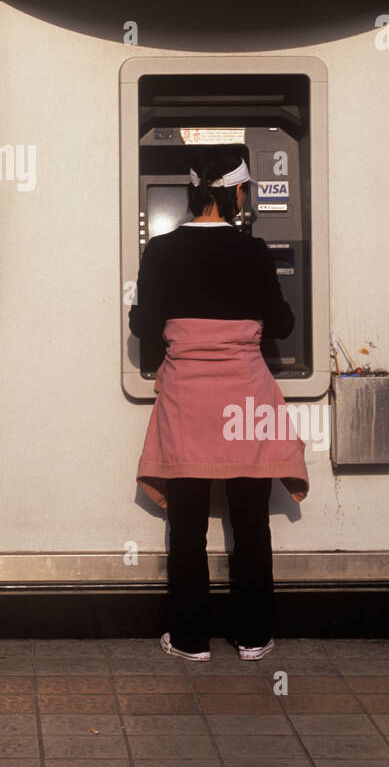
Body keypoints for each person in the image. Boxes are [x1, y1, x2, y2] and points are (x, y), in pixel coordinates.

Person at [129, 145, 309, 663]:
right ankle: (253, 635)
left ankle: (189, 638)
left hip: (187, 396)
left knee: (186, 520)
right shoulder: (254, 251)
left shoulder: (160, 251)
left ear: (192, 191)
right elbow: (282, 325)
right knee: (250, 517)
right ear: (236, 192)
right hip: (244, 396)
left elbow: (144, 326)